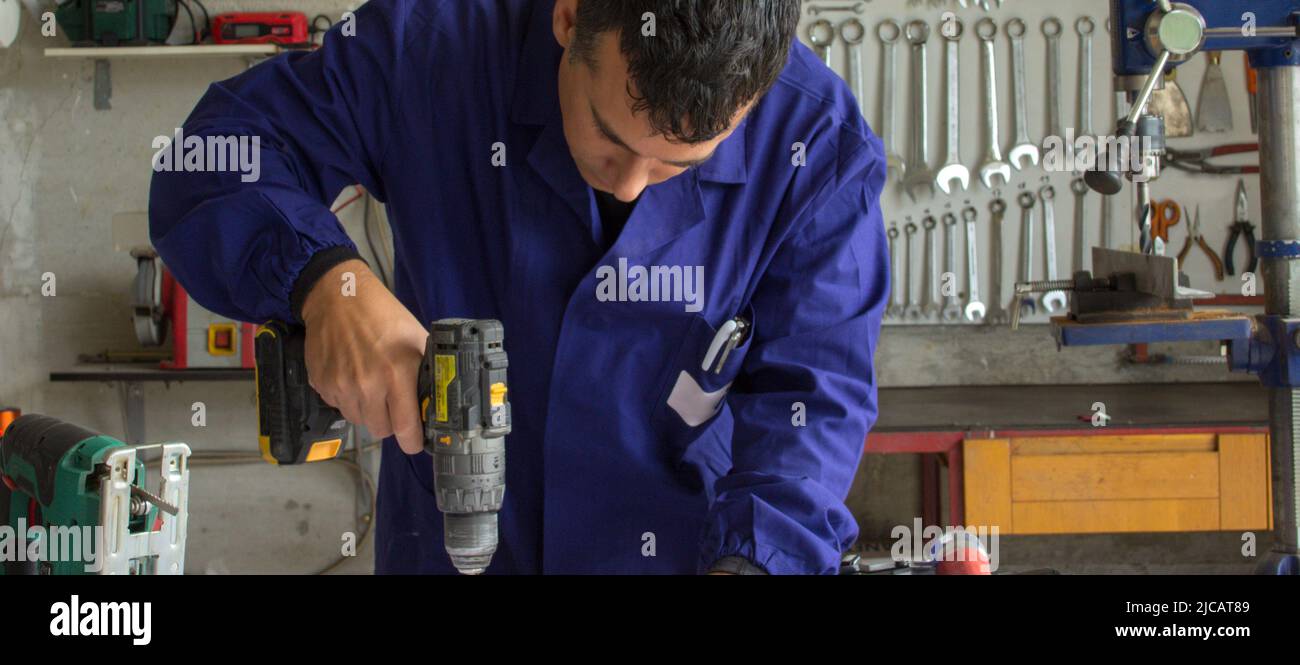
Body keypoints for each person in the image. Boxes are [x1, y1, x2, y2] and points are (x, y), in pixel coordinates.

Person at [149, 0, 888, 574]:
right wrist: (321, 278)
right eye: (610, 135)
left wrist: (757, 561)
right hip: (446, 553)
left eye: (677, 166)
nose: (631, 182)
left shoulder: (817, 147)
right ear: (570, 16)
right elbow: (209, 159)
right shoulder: (434, 46)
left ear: (753, 101)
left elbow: (813, 400)